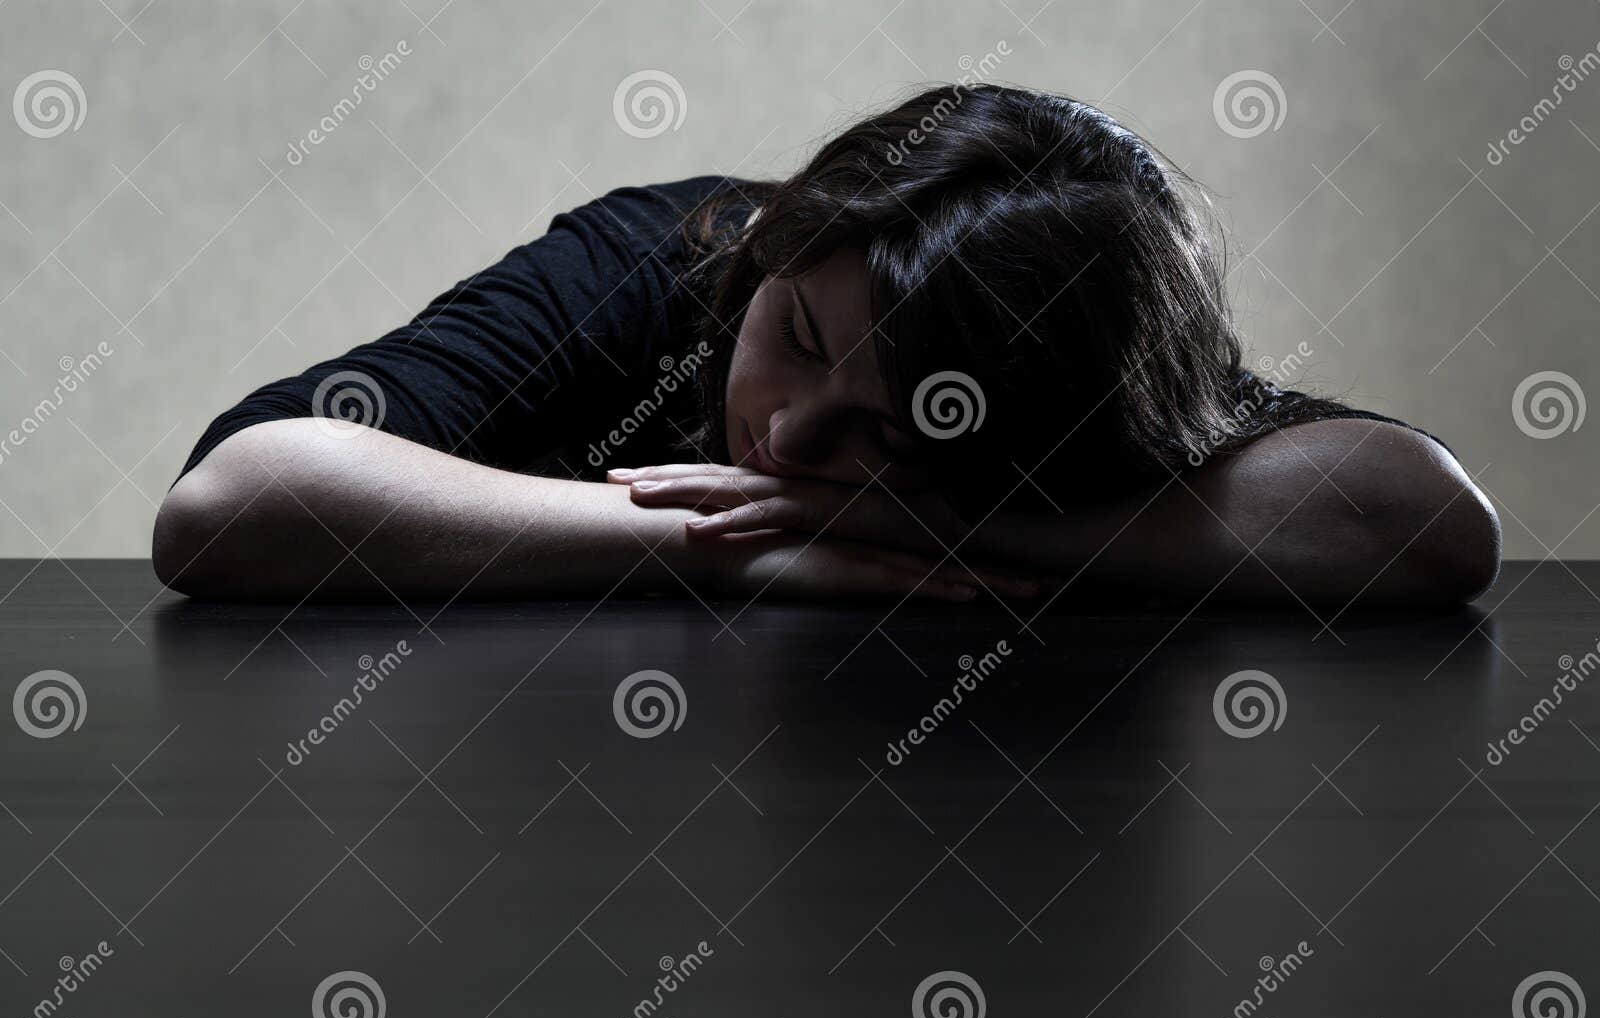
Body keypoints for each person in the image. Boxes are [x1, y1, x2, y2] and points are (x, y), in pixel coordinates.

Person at [152, 84, 1499, 606]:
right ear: (782, 245)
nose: (794, 432)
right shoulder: (665, 251)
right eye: (797, 333)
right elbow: (237, 496)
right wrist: (749, 539)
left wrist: (964, 534)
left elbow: (1423, 520)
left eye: (900, 430)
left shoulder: (1082, 381)